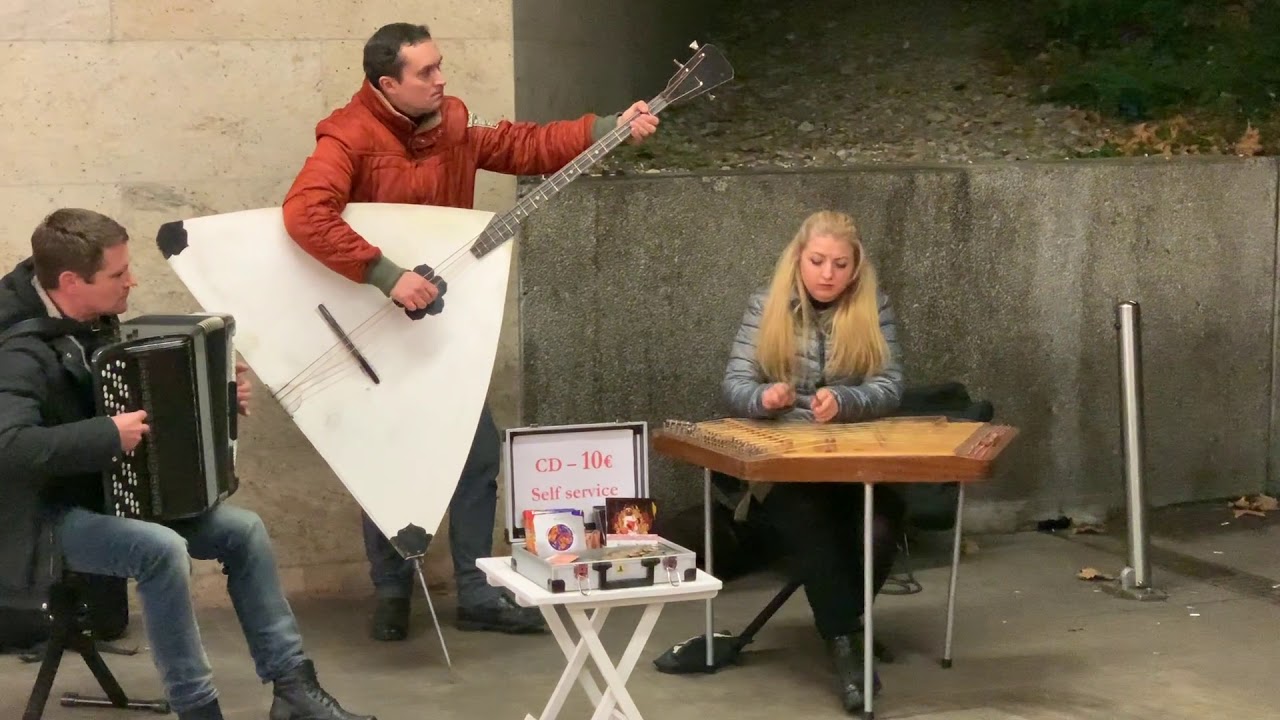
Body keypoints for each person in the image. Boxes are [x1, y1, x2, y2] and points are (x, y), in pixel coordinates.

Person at [280, 21, 660, 641]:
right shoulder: (346, 137)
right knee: (389, 462)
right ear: (387, 85)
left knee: (477, 455)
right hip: (376, 330)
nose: (441, 79)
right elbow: (304, 213)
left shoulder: (453, 120)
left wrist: (604, 127)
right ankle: (393, 591)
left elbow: (523, 145)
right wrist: (384, 274)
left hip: (440, 329)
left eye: (439, 65)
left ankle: (476, 592)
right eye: (426, 71)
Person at [0, 209, 375, 720]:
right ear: (71, 282)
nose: (132, 280)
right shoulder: (17, 350)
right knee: (161, 550)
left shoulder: (90, 320)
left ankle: (293, 688)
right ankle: (197, 708)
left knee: (244, 532)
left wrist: (220, 394)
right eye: (118, 273)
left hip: (111, 493)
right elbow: (10, 446)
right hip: (42, 519)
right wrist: (106, 435)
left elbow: (131, 393)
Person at [720, 209, 906, 714]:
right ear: (798, 259)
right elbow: (734, 386)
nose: (828, 274)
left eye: (840, 264)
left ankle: (843, 622)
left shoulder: (873, 306)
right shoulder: (765, 305)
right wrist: (765, 399)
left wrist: (846, 401)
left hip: (849, 460)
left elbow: (890, 386)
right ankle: (847, 647)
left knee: (883, 520)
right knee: (806, 516)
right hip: (782, 466)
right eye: (818, 261)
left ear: (856, 266)